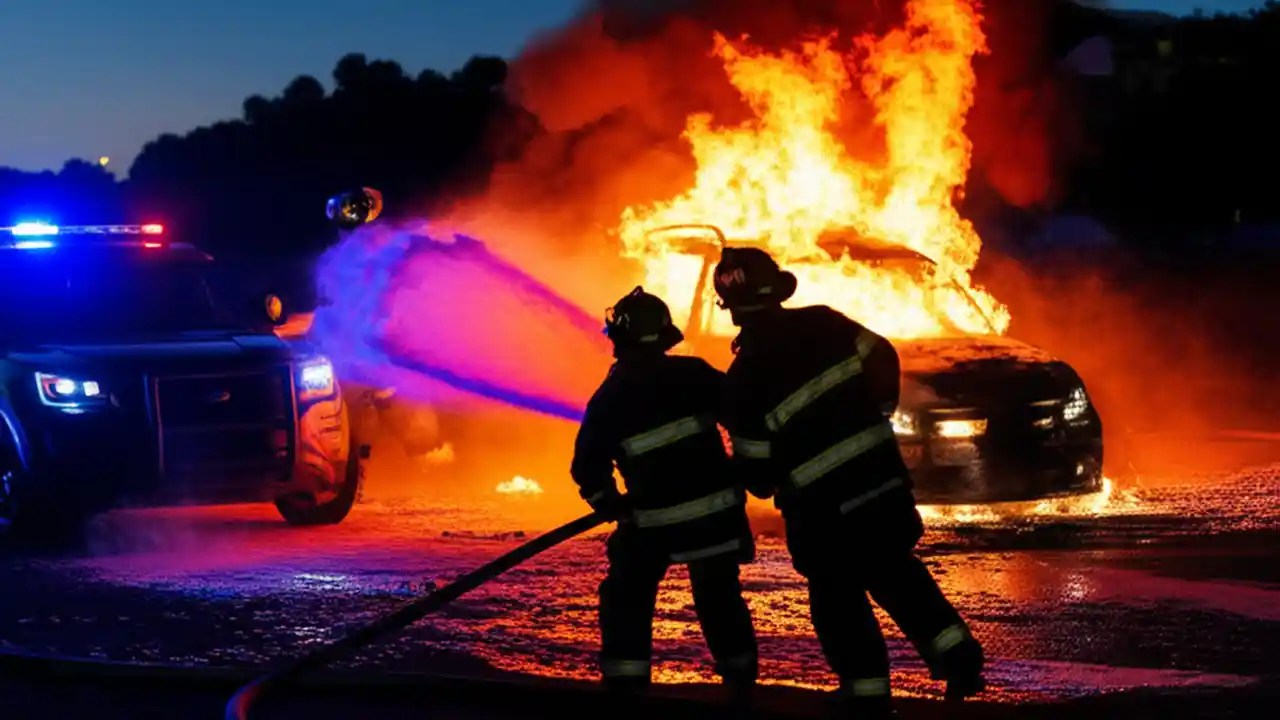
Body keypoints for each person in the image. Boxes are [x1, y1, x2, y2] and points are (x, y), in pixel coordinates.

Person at [713, 247, 984, 718]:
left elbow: (758, 475)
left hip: (822, 513)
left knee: (838, 600)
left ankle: (866, 695)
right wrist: (879, 411)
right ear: (777, 291)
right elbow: (883, 355)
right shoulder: (824, 322)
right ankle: (961, 663)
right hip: (880, 485)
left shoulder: (742, 380)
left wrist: (734, 469)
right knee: (900, 577)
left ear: (732, 307)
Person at [571, 286, 759, 698]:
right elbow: (745, 415)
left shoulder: (609, 397)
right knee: (719, 598)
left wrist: (613, 506)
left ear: (617, 339)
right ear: (665, 335)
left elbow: (587, 467)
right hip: (715, 519)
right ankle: (742, 685)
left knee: (626, 596)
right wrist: (747, 471)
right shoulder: (694, 374)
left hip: (651, 526)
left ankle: (626, 685)